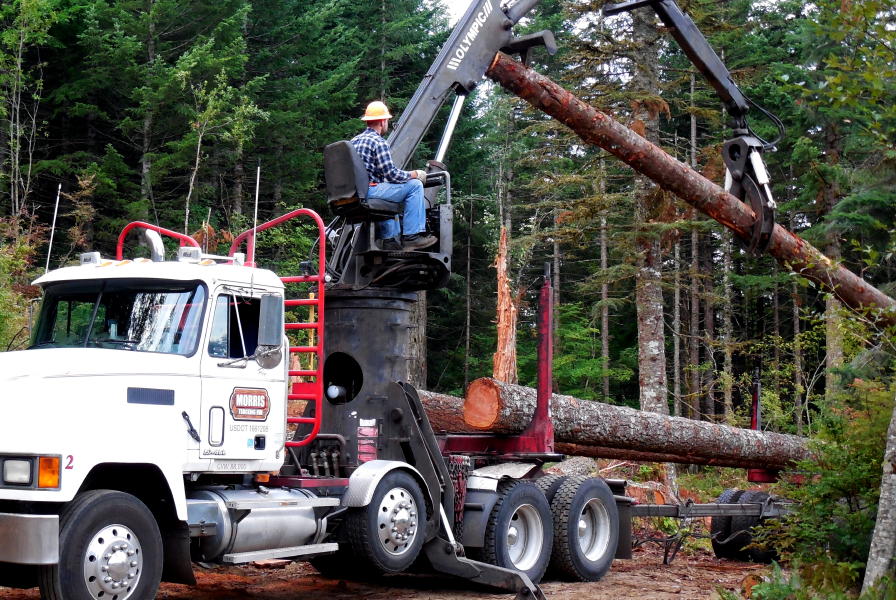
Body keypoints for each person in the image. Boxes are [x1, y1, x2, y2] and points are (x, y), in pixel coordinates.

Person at [350, 101, 437, 251]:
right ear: (383, 121)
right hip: (368, 191)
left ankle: (390, 240)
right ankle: (412, 237)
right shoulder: (378, 142)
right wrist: (414, 174)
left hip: (354, 193)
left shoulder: (353, 142)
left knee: (388, 198)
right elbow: (392, 175)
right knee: (414, 186)